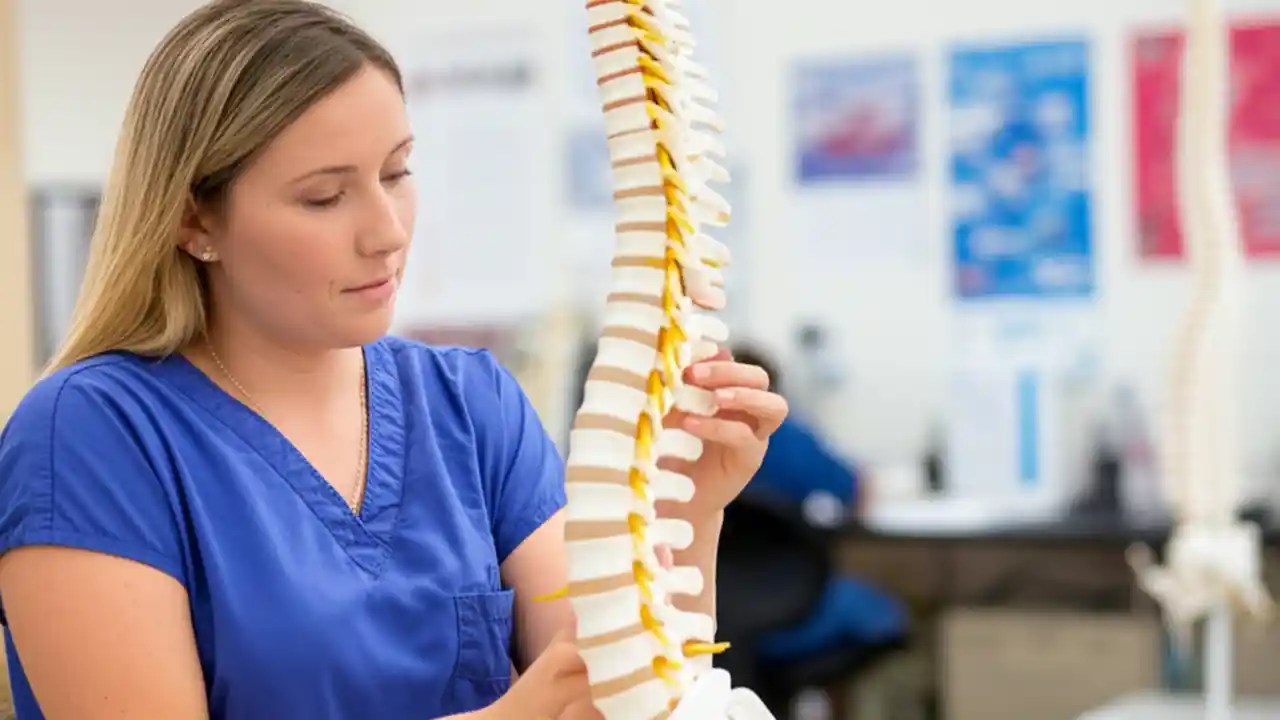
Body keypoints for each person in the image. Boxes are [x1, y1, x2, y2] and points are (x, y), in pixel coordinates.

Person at [0, 2, 788, 718]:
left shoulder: (470, 404)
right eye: (324, 196)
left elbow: (609, 690)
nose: (387, 230)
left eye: (397, 172)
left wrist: (690, 512)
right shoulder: (90, 437)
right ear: (192, 219)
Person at [729, 345, 906, 663]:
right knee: (886, 613)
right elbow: (856, 491)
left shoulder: (684, 444)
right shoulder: (788, 438)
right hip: (795, 605)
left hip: (706, 612)